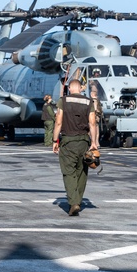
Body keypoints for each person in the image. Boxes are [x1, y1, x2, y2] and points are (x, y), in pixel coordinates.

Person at [52, 80, 99, 216]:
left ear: (70, 88)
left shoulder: (63, 101)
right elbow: (92, 123)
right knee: (82, 172)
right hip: (84, 141)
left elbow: (59, 121)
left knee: (69, 172)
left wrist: (55, 140)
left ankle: (74, 203)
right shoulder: (88, 102)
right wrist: (94, 142)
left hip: (68, 142)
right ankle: (77, 200)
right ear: (80, 88)